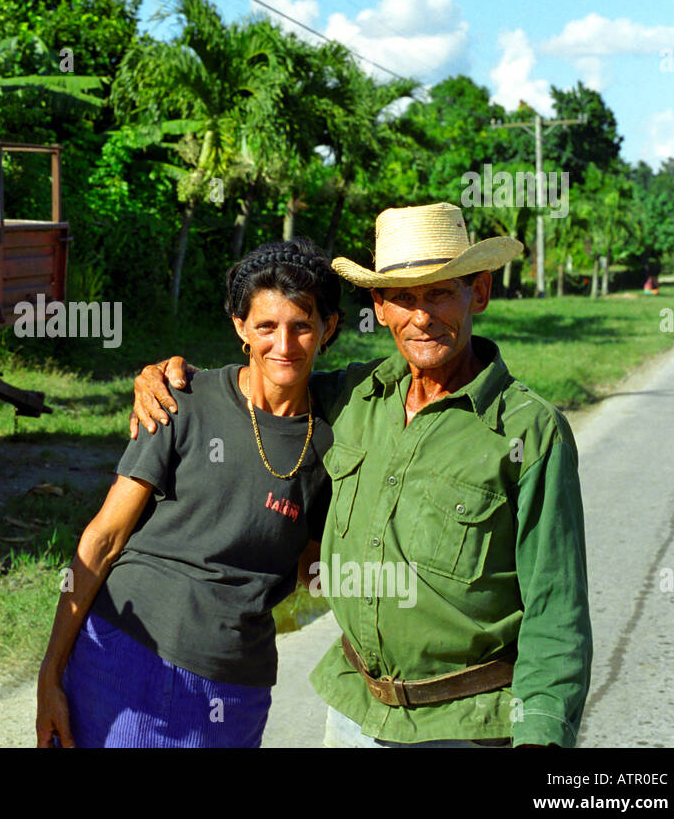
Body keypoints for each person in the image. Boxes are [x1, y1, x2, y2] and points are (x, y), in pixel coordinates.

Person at [131, 203, 593, 747]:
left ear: (480, 292)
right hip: (356, 712)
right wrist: (168, 377)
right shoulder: (352, 398)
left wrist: (541, 740)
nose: (421, 317)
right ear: (380, 305)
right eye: (402, 297)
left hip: (466, 726)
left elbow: (555, 614)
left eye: (441, 291)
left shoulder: (530, 433)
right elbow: (265, 382)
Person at [36, 239, 340, 747]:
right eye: (265, 326)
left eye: (302, 326)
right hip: (124, 657)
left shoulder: (335, 438)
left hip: (235, 686)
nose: (283, 345)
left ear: (327, 328)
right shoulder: (180, 400)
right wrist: (50, 674)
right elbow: (103, 537)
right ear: (241, 328)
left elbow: (310, 568)